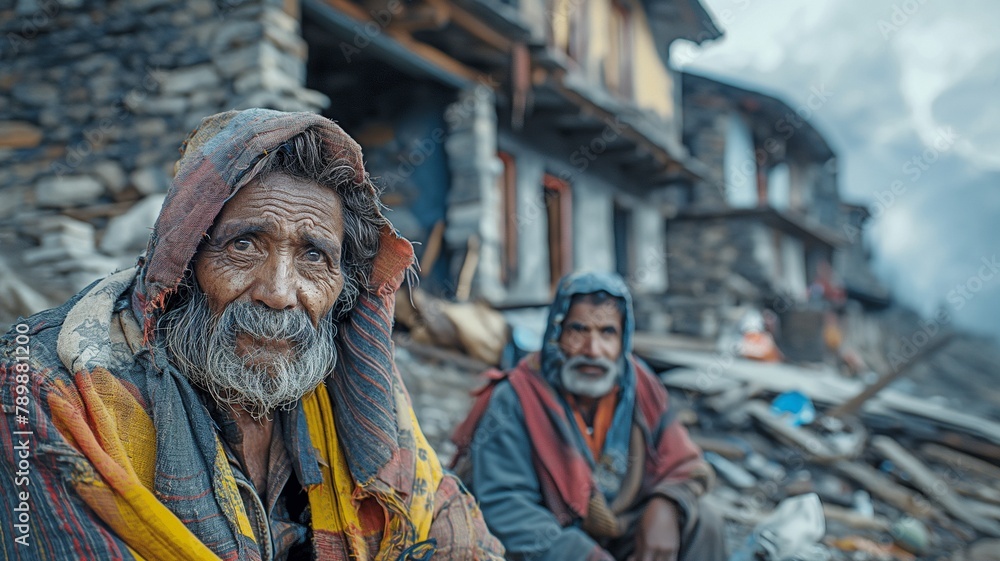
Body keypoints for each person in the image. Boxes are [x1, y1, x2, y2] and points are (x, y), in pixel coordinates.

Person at [0, 109, 502, 560]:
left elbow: (450, 523)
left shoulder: (355, 390)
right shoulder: (42, 388)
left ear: (342, 285)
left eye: (314, 256)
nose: (280, 292)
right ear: (183, 261)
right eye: (243, 245)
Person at [451, 272, 727, 561]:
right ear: (557, 334)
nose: (593, 350)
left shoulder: (641, 385)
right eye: (578, 331)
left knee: (703, 522)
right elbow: (504, 504)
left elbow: (684, 463)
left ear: (623, 340)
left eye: (607, 332)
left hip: (619, 533)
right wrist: (583, 555)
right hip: (552, 541)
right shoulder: (518, 395)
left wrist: (666, 503)